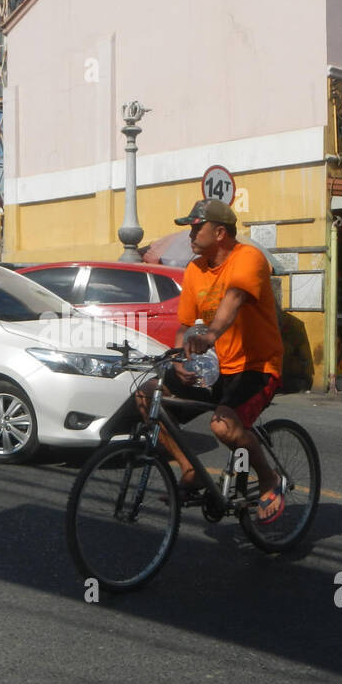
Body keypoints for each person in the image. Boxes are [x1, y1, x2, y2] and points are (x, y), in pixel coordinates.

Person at [135, 199, 285, 523]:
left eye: (195, 226)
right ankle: (190, 471)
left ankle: (271, 479)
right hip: (217, 368)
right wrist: (178, 360)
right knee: (148, 395)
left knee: (224, 426)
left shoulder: (249, 258)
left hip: (257, 366)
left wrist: (211, 335)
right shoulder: (195, 269)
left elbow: (234, 298)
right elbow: (186, 324)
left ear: (219, 232)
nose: (190, 233)